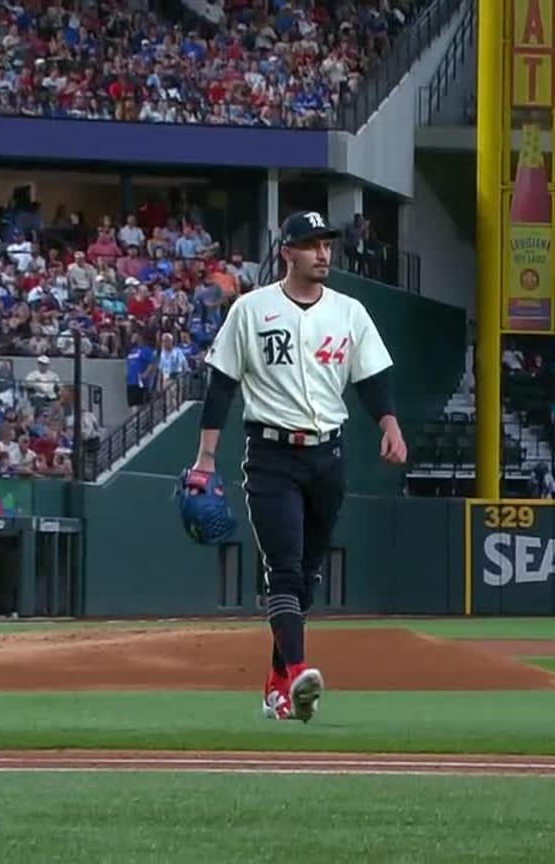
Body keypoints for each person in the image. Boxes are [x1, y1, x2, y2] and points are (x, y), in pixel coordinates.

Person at [185, 210, 408, 722]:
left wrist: (389, 423)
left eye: (326, 244)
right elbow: (221, 385)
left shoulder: (349, 312)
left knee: (307, 573)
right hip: (270, 455)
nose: (323, 253)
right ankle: (301, 674)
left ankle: (276, 684)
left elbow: (372, 376)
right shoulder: (251, 309)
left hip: (328, 455)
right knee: (284, 568)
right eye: (310, 244)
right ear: (287, 252)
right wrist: (204, 459)